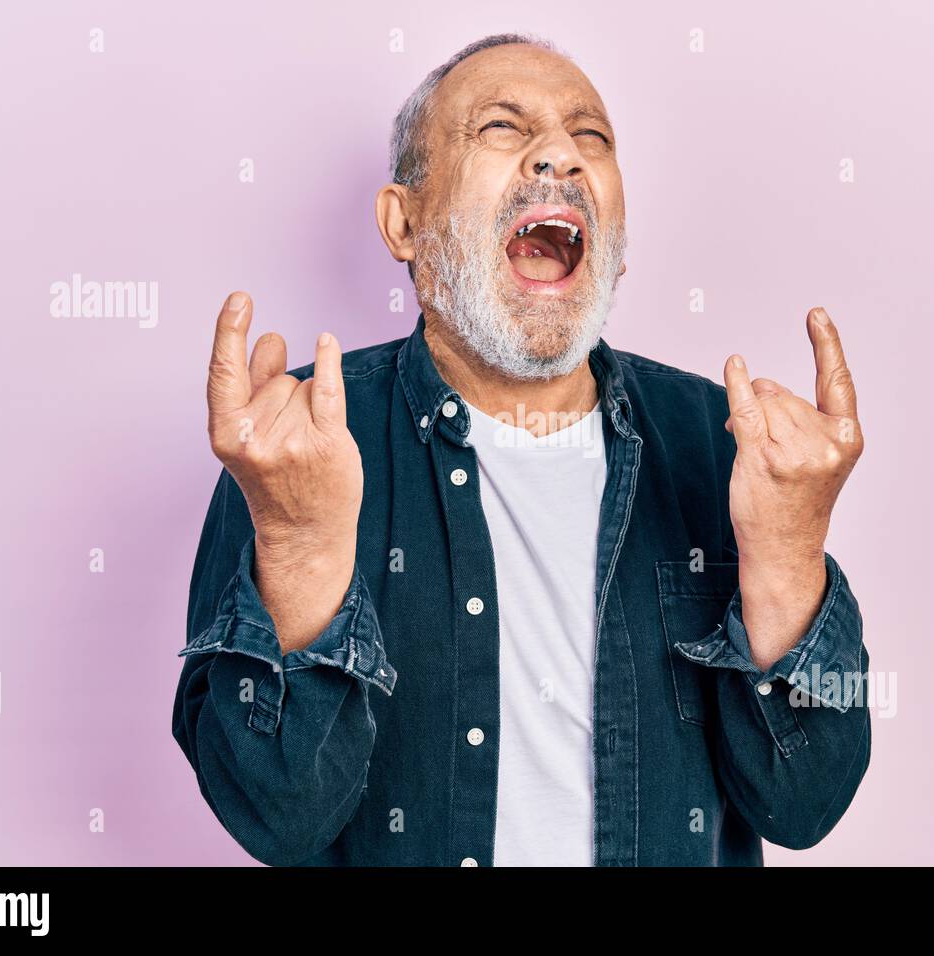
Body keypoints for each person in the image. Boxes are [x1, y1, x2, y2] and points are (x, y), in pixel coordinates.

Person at [172, 33, 870, 867]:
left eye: (592, 139)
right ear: (405, 222)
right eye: (503, 128)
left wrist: (789, 554)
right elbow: (274, 814)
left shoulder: (719, 439)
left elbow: (806, 804)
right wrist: (298, 545)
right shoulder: (297, 444)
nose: (559, 158)